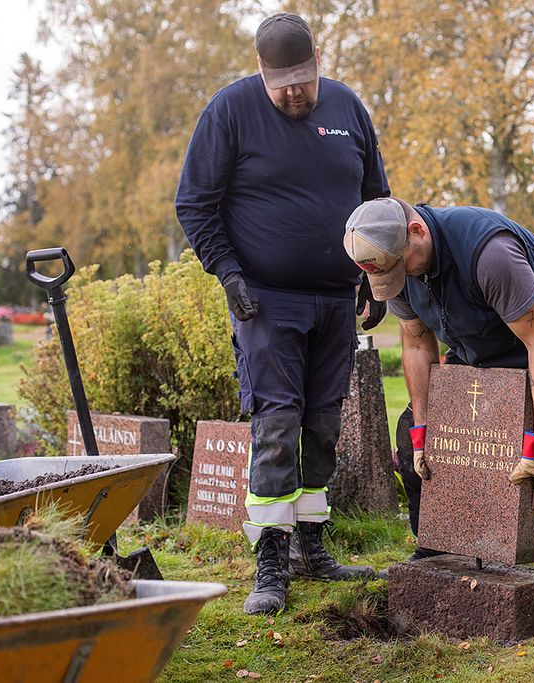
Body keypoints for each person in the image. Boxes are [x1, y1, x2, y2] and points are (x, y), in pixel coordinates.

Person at [175, 13, 390, 615]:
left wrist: (376, 273)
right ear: (262, 72)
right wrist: (229, 274)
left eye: (303, 80)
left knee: (324, 425)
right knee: (276, 426)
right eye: (282, 85)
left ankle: (312, 549)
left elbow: (376, 199)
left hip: (335, 299)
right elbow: (193, 203)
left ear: (317, 60)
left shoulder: (348, 109)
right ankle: (270, 561)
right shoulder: (230, 111)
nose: (294, 94)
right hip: (266, 299)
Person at [343, 197, 534, 637]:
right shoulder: (397, 266)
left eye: (405, 266)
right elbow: (418, 344)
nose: (406, 278)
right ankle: (437, 549)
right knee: (411, 434)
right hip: (485, 346)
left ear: (417, 231)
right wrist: (422, 432)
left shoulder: (488, 252)